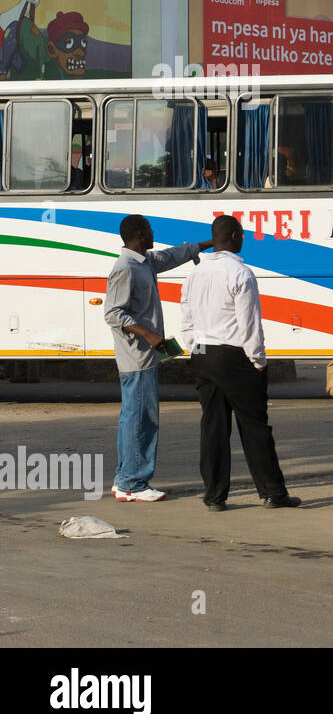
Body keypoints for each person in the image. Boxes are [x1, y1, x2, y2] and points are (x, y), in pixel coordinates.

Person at [180, 215, 300, 511]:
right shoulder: (241, 273)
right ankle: (272, 492)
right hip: (234, 357)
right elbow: (249, 324)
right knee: (255, 427)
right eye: (242, 235)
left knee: (213, 427)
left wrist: (192, 348)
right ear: (234, 236)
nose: (244, 238)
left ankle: (214, 496)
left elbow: (186, 316)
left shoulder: (195, 274)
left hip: (203, 355)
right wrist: (258, 361)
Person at [104, 215, 211, 502]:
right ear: (140, 234)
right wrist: (148, 335)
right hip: (136, 357)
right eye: (150, 230)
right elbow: (113, 313)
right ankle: (133, 484)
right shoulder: (125, 268)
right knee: (141, 420)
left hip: (144, 358)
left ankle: (124, 478)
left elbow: (172, 255)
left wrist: (206, 244)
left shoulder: (145, 261)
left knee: (135, 418)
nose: (154, 233)